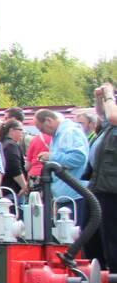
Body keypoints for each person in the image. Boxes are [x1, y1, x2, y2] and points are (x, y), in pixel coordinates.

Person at [33, 109, 90, 225]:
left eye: (42, 129)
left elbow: (78, 158)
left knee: (72, 236)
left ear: (49, 120)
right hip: (68, 196)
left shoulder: (70, 132)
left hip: (75, 196)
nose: (43, 133)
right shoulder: (59, 135)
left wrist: (51, 157)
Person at [87, 83, 117, 267]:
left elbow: (112, 116)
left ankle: (114, 280)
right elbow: (105, 115)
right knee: (96, 236)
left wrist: (108, 94)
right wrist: (100, 98)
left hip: (112, 188)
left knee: (112, 237)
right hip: (102, 186)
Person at [0, 119, 29, 196]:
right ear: (12, 130)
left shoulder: (3, 143)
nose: (22, 133)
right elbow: (14, 167)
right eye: (21, 130)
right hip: (12, 190)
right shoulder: (11, 146)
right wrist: (24, 186)